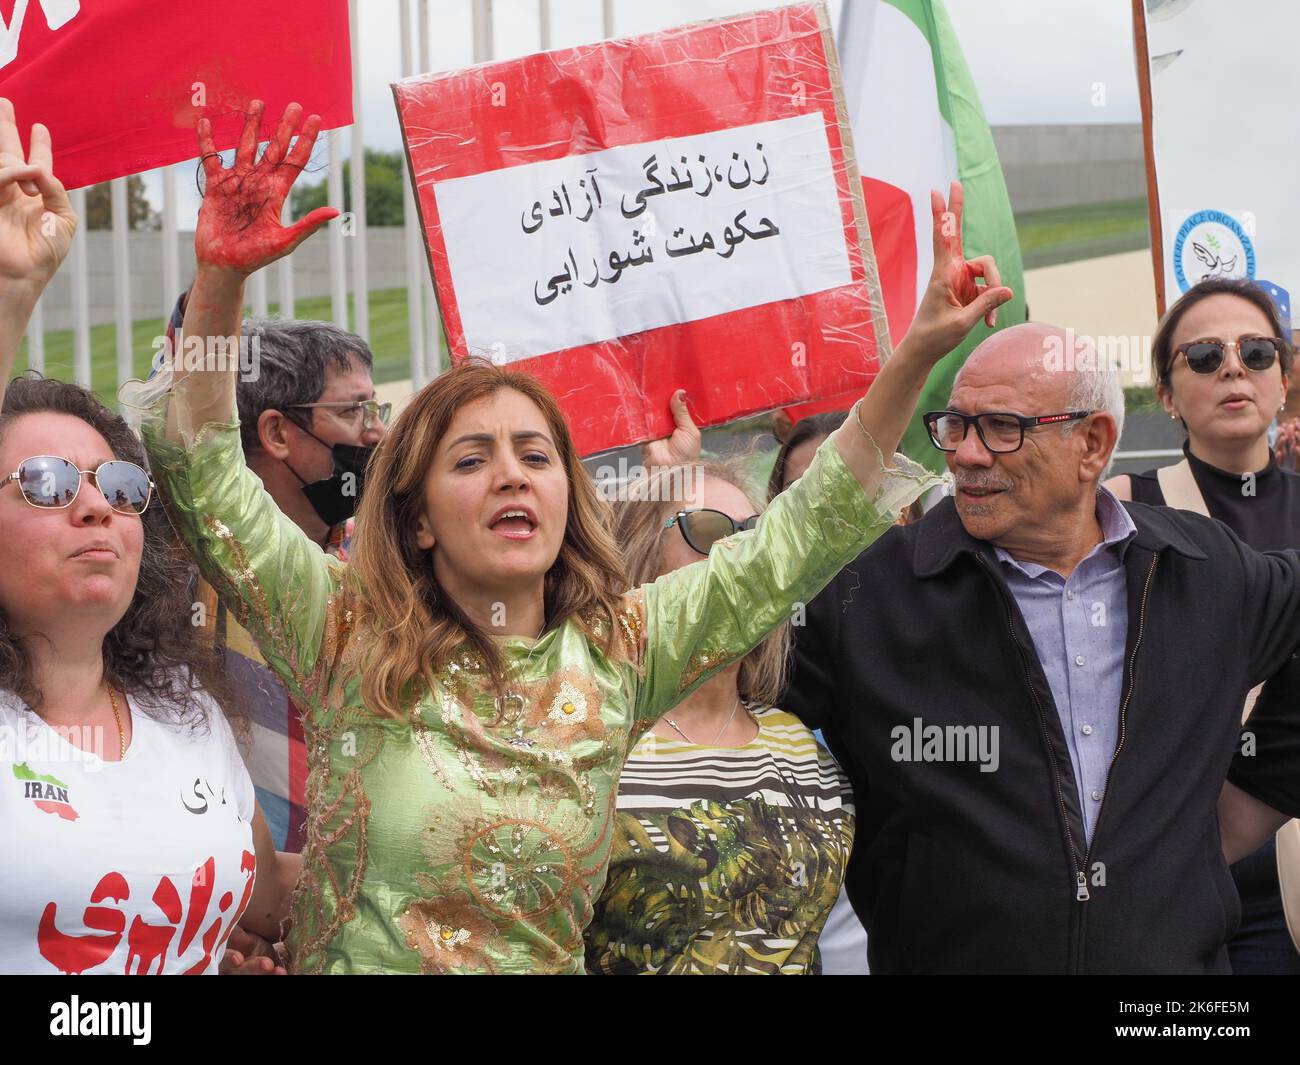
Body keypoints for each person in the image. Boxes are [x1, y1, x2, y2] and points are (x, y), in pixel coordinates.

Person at [125, 100, 1007, 973]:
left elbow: (803, 534)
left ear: (566, 494)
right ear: (420, 516)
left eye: (536, 455)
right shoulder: (349, 632)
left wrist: (917, 354)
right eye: (472, 460)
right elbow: (203, 469)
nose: (512, 474)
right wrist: (220, 283)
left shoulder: (620, 650)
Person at [784, 320, 1300, 974]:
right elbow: (717, 664)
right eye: (954, 425)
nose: (967, 454)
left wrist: (1242, 804)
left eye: (1002, 427)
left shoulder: (1200, 567)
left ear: (1093, 443)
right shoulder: (870, 593)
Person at [0, 99, 290, 974]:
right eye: (45, 485)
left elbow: (275, 899)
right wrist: (12, 294)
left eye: (120, 488)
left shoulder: (186, 710)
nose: (96, 510)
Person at [585, 456, 855, 974]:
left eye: (756, 535)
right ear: (638, 556)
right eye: (708, 530)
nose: (738, 555)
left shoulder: (800, 743)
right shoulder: (589, 736)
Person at [1105, 277, 1300, 974]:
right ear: (1164, 392)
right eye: (1203, 357)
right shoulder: (1120, 511)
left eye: (1255, 351)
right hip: (1193, 874)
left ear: (1285, 377)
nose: (1232, 369)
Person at [179, 314, 390, 855]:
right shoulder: (183, 569)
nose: (377, 432)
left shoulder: (387, 562)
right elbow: (186, 436)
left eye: (375, 407)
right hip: (227, 902)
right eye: (351, 411)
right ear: (276, 433)